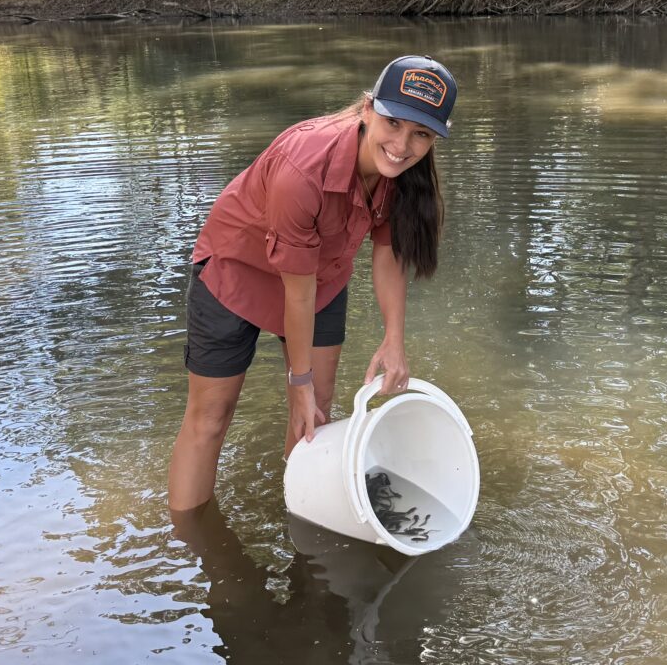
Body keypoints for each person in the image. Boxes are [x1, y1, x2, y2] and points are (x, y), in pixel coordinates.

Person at [167, 55, 457, 511]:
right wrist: (296, 381)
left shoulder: (399, 175)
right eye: (394, 123)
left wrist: (394, 339)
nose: (402, 145)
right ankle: (190, 537)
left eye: (421, 133)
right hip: (234, 275)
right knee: (210, 417)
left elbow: (388, 254)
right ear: (367, 109)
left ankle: (298, 511)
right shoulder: (304, 170)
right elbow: (294, 292)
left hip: (320, 280)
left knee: (316, 410)